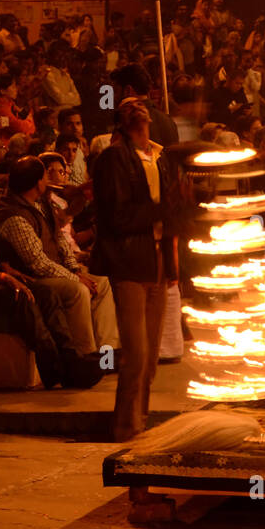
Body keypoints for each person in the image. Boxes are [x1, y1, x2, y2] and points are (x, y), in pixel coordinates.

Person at [91, 98, 180, 448]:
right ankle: (125, 429)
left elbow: (169, 212)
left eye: (144, 111)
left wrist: (173, 264)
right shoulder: (115, 158)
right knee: (136, 353)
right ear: (126, 123)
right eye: (134, 112)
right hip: (128, 261)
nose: (141, 116)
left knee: (151, 356)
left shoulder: (158, 156)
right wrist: (163, 207)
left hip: (156, 259)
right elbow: (117, 216)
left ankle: (139, 422)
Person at [0, 157, 118, 361]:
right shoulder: (13, 215)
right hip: (33, 278)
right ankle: (86, 356)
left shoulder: (41, 203)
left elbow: (59, 239)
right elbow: (38, 264)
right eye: (44, 176)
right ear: (36, 182)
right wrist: (75, 279)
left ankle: (107, 357)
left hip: (56, 270)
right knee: (78, 290)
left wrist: (74, 270)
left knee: (102, 285)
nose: (47, 180)